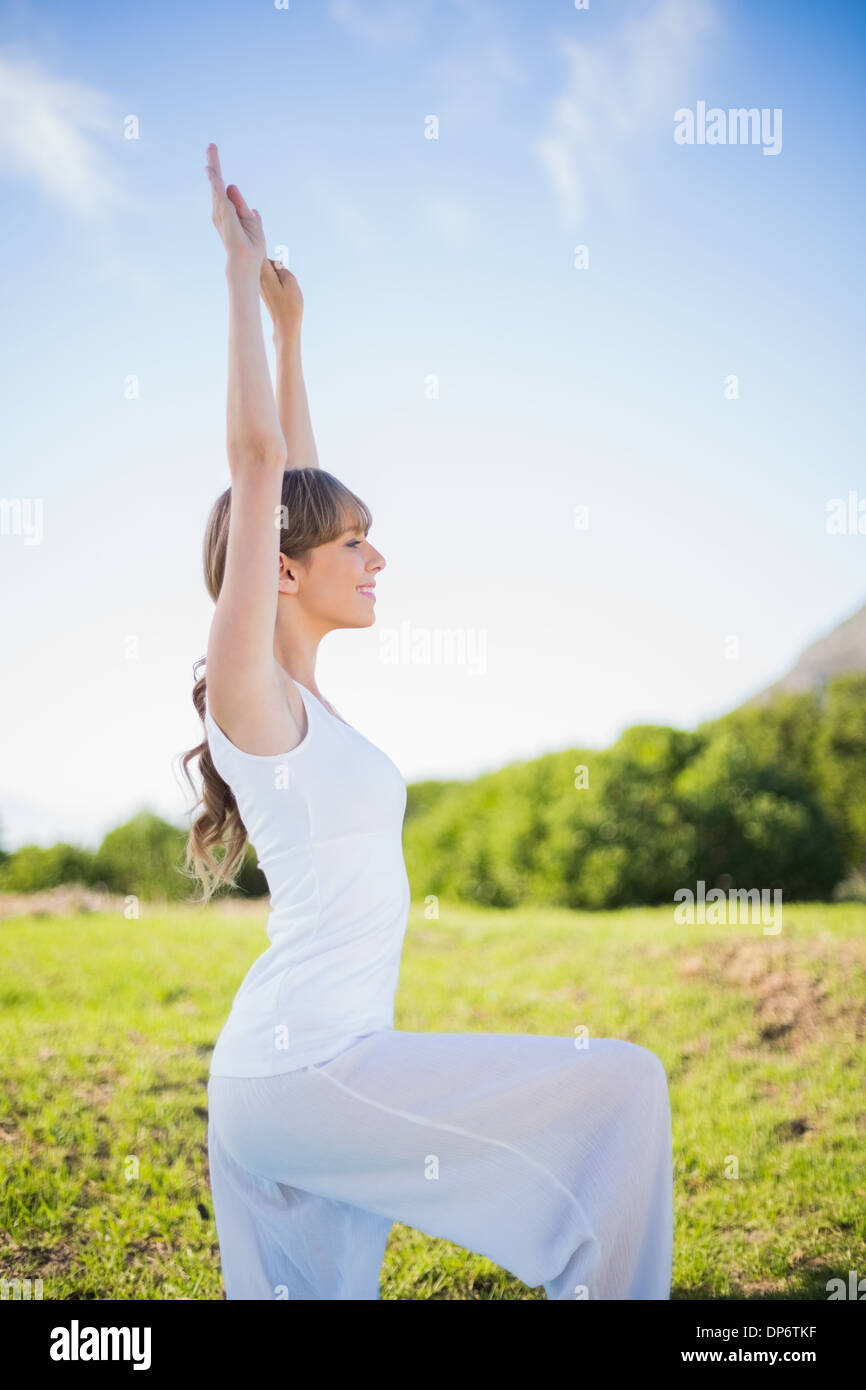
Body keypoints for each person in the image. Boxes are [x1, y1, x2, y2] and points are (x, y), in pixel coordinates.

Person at [182, 143, 673, 1301]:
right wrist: (234, 273)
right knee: (622, 1086)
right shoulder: (244, 687)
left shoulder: (301, 702)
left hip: (310, 1069)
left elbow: (290, 482)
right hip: (303, 1071)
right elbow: (262, 473)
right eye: (355, 543)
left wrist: (293, 332)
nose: (378, 557)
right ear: (285, 573)